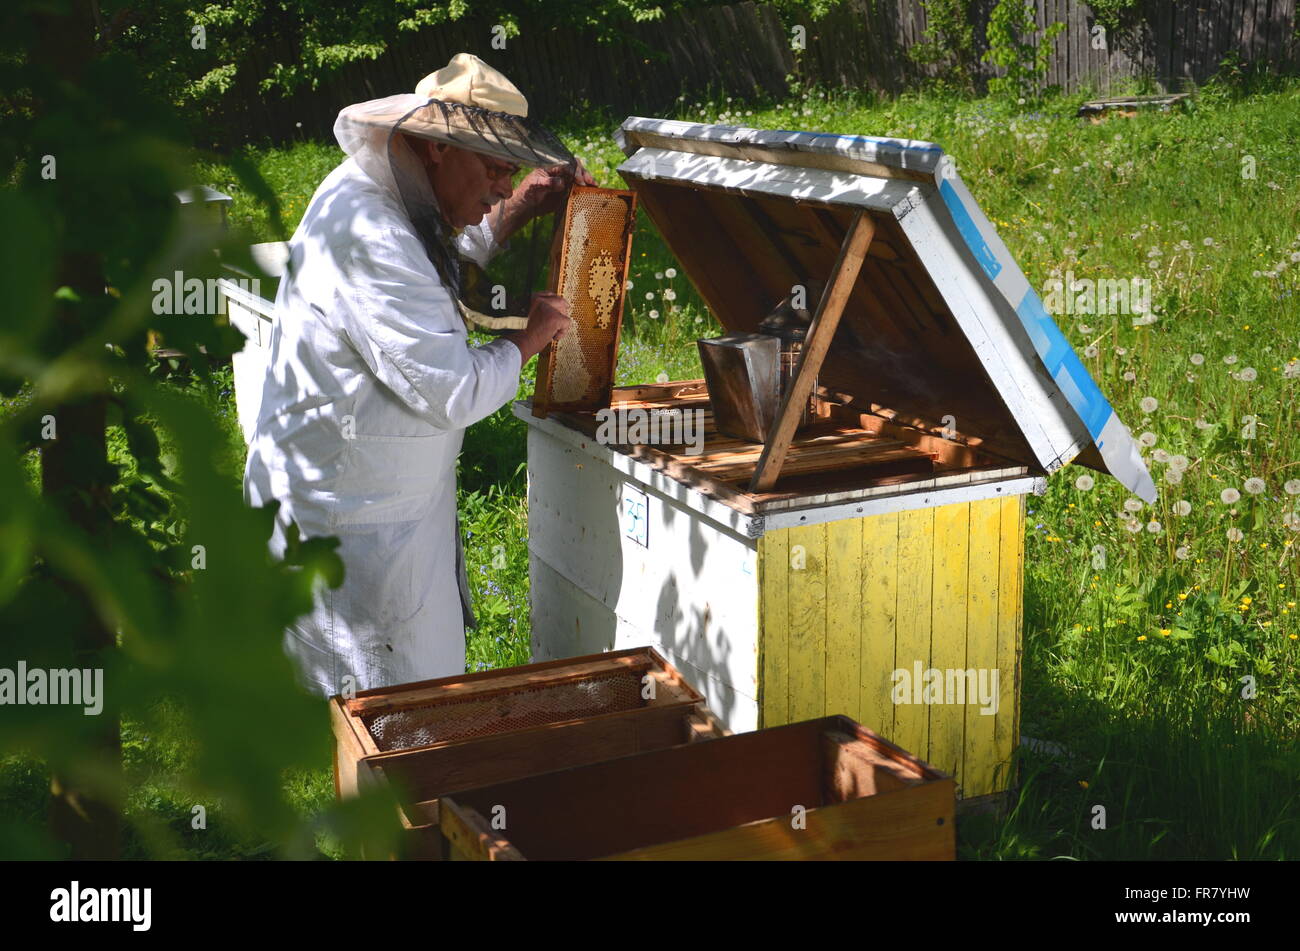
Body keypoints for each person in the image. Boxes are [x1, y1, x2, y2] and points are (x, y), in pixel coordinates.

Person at [243, 53, 594, 697]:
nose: (501, 184)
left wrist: (520, 206)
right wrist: (530, 341)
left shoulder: (388, 193)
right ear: (436, 148)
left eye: (512, 171)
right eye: (494, 167)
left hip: (378, 503)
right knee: (391, 720)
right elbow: (453, 387)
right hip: (355, 529)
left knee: (401, 712)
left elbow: (440, 249)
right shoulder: (369, 232)